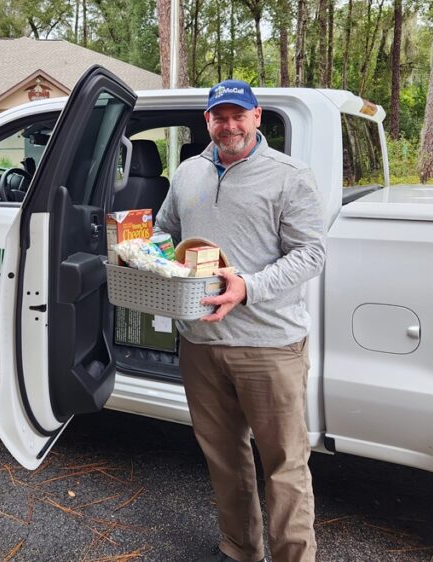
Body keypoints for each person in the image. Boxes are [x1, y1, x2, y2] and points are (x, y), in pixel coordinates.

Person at [155, 80, 326, 562]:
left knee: (285, 466)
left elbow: (311, 254)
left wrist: (248, 286)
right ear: (206, 122)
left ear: (257, 117)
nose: (228, 125)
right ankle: (240, 548)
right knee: (224, 460)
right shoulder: (187, 173)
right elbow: (167, 233)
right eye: (218, 116)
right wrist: (141, 254)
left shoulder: (289, 175)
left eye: (238, 115)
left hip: (269, 346)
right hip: (200, 341)